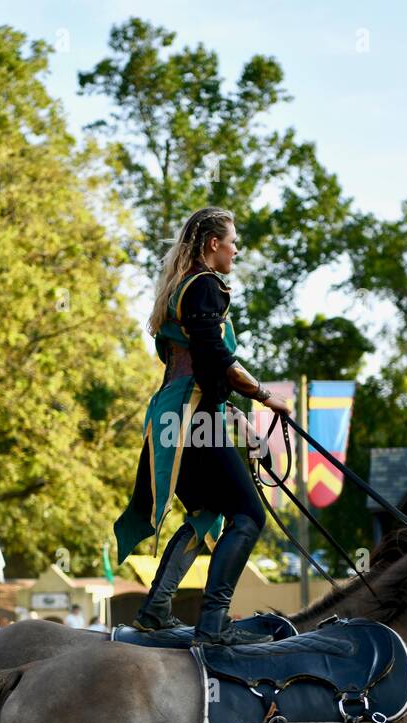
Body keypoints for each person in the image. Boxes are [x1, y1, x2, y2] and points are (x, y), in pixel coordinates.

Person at [113, 207, 292, 645]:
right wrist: (265, 397)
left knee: (205, 514)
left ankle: (156, 609)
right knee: (249, 514)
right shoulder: (205, 286)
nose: (236, 249)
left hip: (177, 414)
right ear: (213, 244)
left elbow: (193, 366)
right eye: (232, 241)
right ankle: (213, 624)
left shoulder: (180, 288)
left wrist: (227, 410)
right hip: (192, 417)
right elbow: (214, 357)